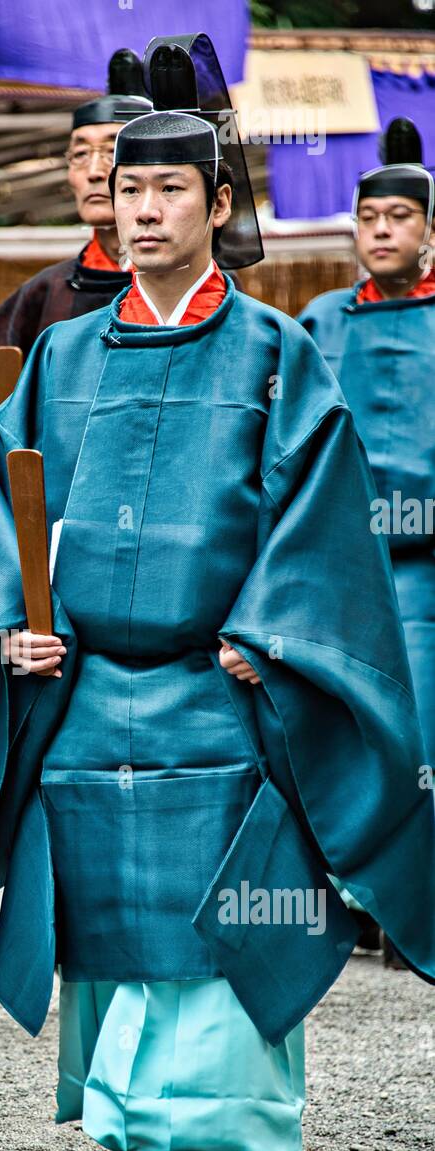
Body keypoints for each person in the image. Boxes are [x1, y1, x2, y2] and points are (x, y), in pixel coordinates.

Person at [0, 35, 435, 1151]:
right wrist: (7, 635)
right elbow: (6, 507)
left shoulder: (274, 352)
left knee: (211, 907)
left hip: (216, 684)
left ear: (215, 205)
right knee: (110, 925)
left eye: (167, 189)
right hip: (84, 687)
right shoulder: (62, 357)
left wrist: (271, 631)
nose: (140, 210)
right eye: (126, 188)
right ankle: (137, 1126)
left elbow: (316, 515)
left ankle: (185, 1136)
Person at [0, 50, 151, 630]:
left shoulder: (213, 306)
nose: (98, 170)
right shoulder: (35, 304)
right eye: (82, 154)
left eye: (115, 151)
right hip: (52, 584)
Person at [299, 119, 435, 964]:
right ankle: (349, 901)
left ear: (429, 231)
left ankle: (412, 907)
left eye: (399, 217)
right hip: (340, 572)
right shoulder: (318, 321)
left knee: (418, 735)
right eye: (368, 218)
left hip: (426, 576)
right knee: (338, 730)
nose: (380, 231)